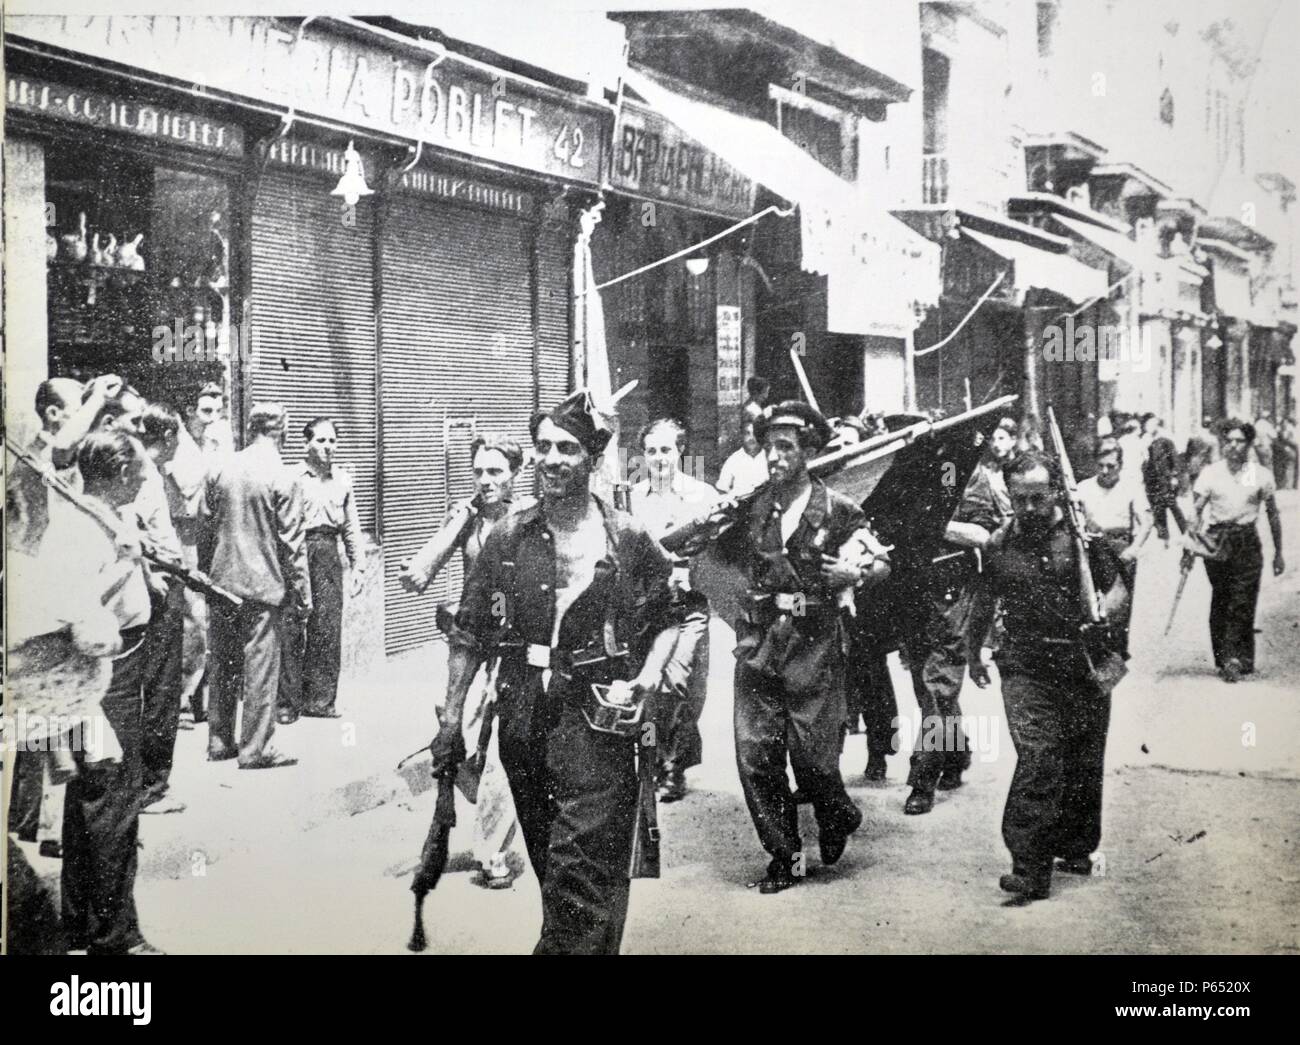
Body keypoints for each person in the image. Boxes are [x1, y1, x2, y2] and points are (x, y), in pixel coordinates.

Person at [429, 390, 693, 953]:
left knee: (579, 873)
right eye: (543, 446)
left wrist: (646, 679)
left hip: (599, 724)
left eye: (567, 448)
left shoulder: (627, 538)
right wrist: (451, 718)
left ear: (593, 458)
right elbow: (470, 632)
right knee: (561, 874)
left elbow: (673, 615)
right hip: (524, 722)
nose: (551, 458)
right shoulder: (508, 537)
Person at [720, 400, 890, 893]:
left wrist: (854, 572)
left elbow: (882, 564)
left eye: (785, 448)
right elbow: (722, 559)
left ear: (809, 452)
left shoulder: (838, 510)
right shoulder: (753, 507)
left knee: (813, 757)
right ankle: (785, 858)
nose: (774, 458)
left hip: (813, 642)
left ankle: (836, 813)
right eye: (769, 447)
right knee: (756, 753)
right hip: (760, 640)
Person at [967, 450, 1129, 903]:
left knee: (1082, 753)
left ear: (1056, 491)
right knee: (1039, 755)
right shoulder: (1001, 542)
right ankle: (1029, 865)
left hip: (1082, 660)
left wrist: (1104, 615)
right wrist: (973, 651)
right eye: (1021, 500)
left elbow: (1119, 586)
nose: (1031, 509)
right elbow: (984, 597)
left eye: (1039, 498)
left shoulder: (1084, 536)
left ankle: (1076, 846)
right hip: (1025, 664)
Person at [398, 434, 533, 890]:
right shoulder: (466, 516)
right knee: (454, 733)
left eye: (495, 471)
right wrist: (416, 572)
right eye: (478, 471)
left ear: (515, 473)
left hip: (514, 644)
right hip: (468, 636)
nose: (485, 480)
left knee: (499, 750)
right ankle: (492, 807)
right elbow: (430, 558)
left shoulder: (531, 517)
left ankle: (493, 852)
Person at [51, 431, 166, 952]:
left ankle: (80, 922)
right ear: (121, 475)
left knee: (90, 798)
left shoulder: (100, 518)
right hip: (107, 671)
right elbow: (75, 607)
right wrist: (125, 560)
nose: (145, 478)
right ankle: (116, 938)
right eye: (140, 470)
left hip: (117, 665)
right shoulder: (87, 529)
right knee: (113, 801)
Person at [898, 416, 1017, 815]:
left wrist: (933, 527)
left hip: (954, 590)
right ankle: (956, 751)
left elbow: (985, 535)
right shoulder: (908, 473)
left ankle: (922, 780)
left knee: (938, 683)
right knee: (926, 682)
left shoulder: (961, 474)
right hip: (915, 592)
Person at [198, 403, 311, 769]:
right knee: (260, 669)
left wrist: (207, 574)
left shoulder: (221, 467)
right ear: (285, 430)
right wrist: (303, 595)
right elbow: (293, 546)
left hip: (221, 581)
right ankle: (255, 749)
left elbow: (204, 524)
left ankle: (218, 740)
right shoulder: (284, 475)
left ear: (250, 428)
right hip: (263, 587)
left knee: (223, 664)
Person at [629, 418, 718, 802]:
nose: (659, 458)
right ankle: (661, 759)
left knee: (679, 683)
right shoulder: (632, 499)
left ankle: (672, 765)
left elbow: (718, 551)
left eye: (666, 449)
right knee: (649, 684)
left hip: (690, 603)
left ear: (680, 451)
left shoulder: (703, 496)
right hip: (648, 607)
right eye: (651, 451)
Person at [278, 418, 364, 722]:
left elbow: (351, 527)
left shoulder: (343, 480)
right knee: (292, 625)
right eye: (321, 441)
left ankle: (321, 701)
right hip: (296, 552)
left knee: (326, 626)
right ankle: (287, 704)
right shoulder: (291, 477)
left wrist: (358, 566)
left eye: (332, 441)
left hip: (328, 551)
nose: (328, 447)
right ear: (306, 444)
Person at [1187, 420, 1285, 682]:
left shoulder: (1261, 474)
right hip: (1217, 540)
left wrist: (1279, 552)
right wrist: (1189, 543)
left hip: (1247, 541)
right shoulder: (1211, 473)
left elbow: (1273, 514)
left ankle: (1235, 657)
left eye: (1239, 441)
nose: (1233, 446)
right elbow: (1196, 509)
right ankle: (1225, 656)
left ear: (1249, 444)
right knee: (1222, 596)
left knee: (1243, 598)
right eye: (1228, 440)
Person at [134, 405, 189, 813]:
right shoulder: (147, 474)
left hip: (152, 580)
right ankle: (152, 786)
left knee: (150, 685)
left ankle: (144, 780)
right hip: (160, 583)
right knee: (161, 687)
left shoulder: (141, 469)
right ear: (168, 438)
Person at [1077, 441, 1152, 659]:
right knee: (1091, 600)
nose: (1105, 471)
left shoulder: (1131, 488)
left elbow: (1147, 521)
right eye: (1100, 465)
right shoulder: (1083, 488)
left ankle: (1117, 650)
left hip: (1120, 548)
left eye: (1111, 466)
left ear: (1120, 465)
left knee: (1120, 603)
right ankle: (1095, 647)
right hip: (1092, 547)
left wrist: (1135, 548)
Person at [1140, 415, 1185, 545]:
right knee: (1158, 509)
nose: (1149, 427)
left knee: (1173, 506)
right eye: (1147, 425)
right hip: (1151, 481)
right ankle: (1164, 539)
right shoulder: (1145, 441)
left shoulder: (1165, 441)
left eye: (1152, 424)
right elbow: (1145, 462)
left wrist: (1174, 477)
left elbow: (1175, 460)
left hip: (1165, 479)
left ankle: (1186, 533)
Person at [716, 416, 769, 496]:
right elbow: (722, 489)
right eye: (747, 434)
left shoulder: (769, 457)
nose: (752, 438)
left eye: (755, 434)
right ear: (741, 436)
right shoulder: (734, 460)